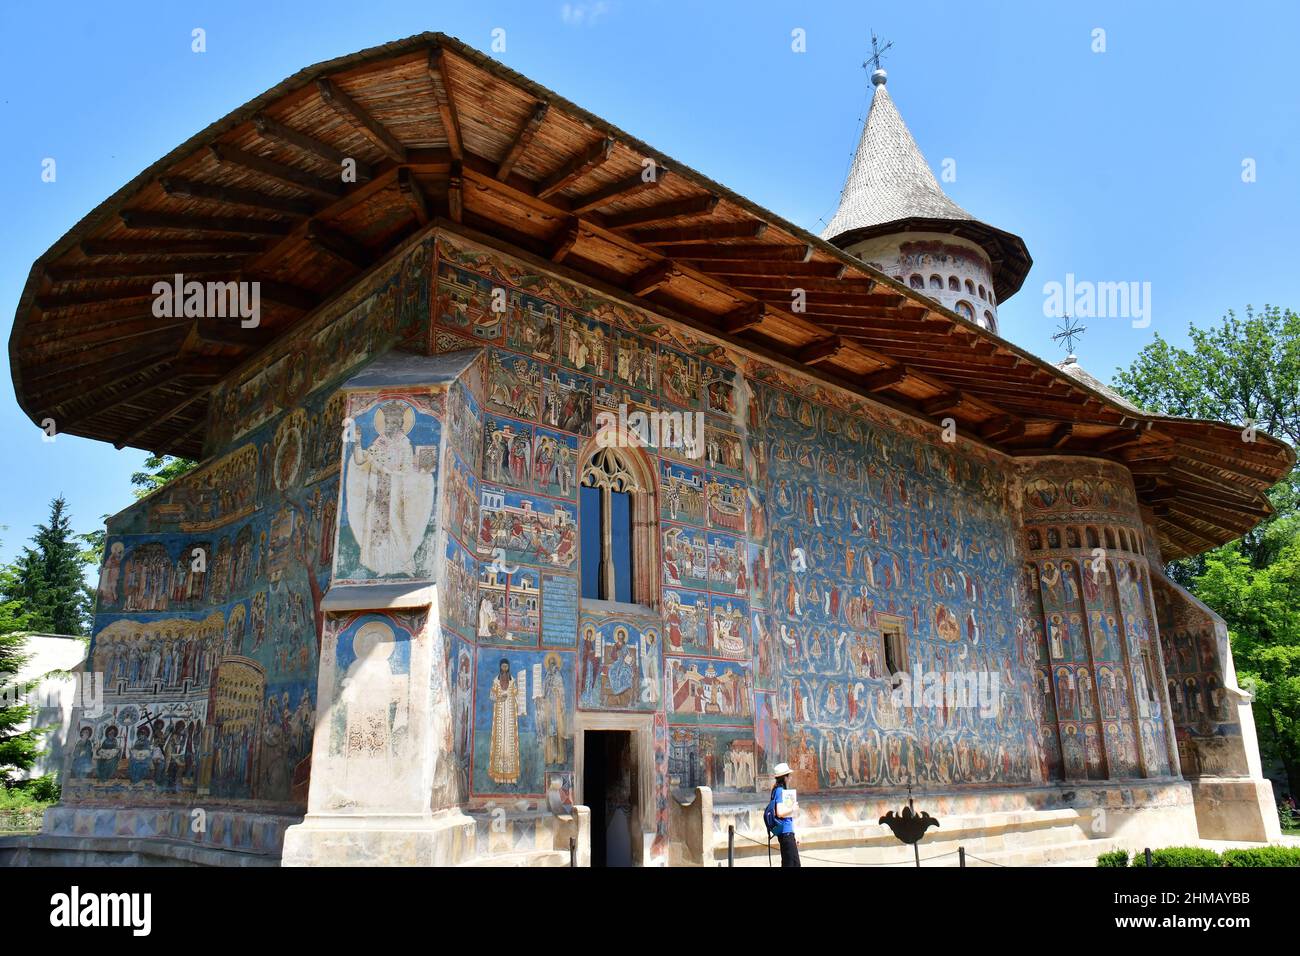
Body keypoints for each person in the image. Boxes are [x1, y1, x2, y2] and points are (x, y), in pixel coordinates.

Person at [769, 762, 800, 867]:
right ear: (784, 777)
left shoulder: (777, 790)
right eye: (788, 775)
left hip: (787, 833)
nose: (790, 778)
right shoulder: (779, 791)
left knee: (795, 864)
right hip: (786, 834)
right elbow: (780, 813)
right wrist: (793, 808)